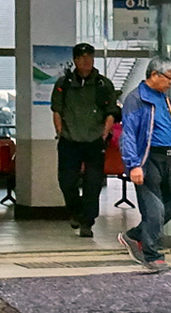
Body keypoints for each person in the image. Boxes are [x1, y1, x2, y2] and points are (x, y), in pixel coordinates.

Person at [118, 58, 171, 273]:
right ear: (154, 75)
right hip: (147, 159)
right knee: (154, 211)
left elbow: (167, 128)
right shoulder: (136, 99)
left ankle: (133, 236)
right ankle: (151, 255)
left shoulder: (164, 99)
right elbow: (128, 135)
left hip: (167, 159)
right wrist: (134, 165)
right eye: (169, 78)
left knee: (169, 209)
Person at [51, 43, 120, 237]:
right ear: (75, 60)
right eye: (81, 57)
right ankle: (76, 211)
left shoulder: (103, 84)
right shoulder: (64, 83)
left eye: (89, 57)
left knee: (93, 183)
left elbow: (111, 112)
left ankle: (87, 222)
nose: (86, 61)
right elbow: (57, 110)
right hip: (69, 140)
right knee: (66, 181)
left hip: (94, 140)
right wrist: (60, 131)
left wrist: (104, 134)